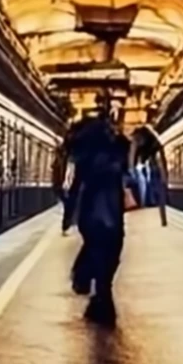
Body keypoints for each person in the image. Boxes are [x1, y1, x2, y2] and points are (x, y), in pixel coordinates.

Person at [70, 110, 129, 326]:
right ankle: (102, 299)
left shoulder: (85, 160)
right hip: (112, 214)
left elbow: (77, 187)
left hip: (92, 215)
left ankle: (99, 297)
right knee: (110, 256)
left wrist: (69, 215)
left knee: (96, 253)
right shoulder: (116, 156)